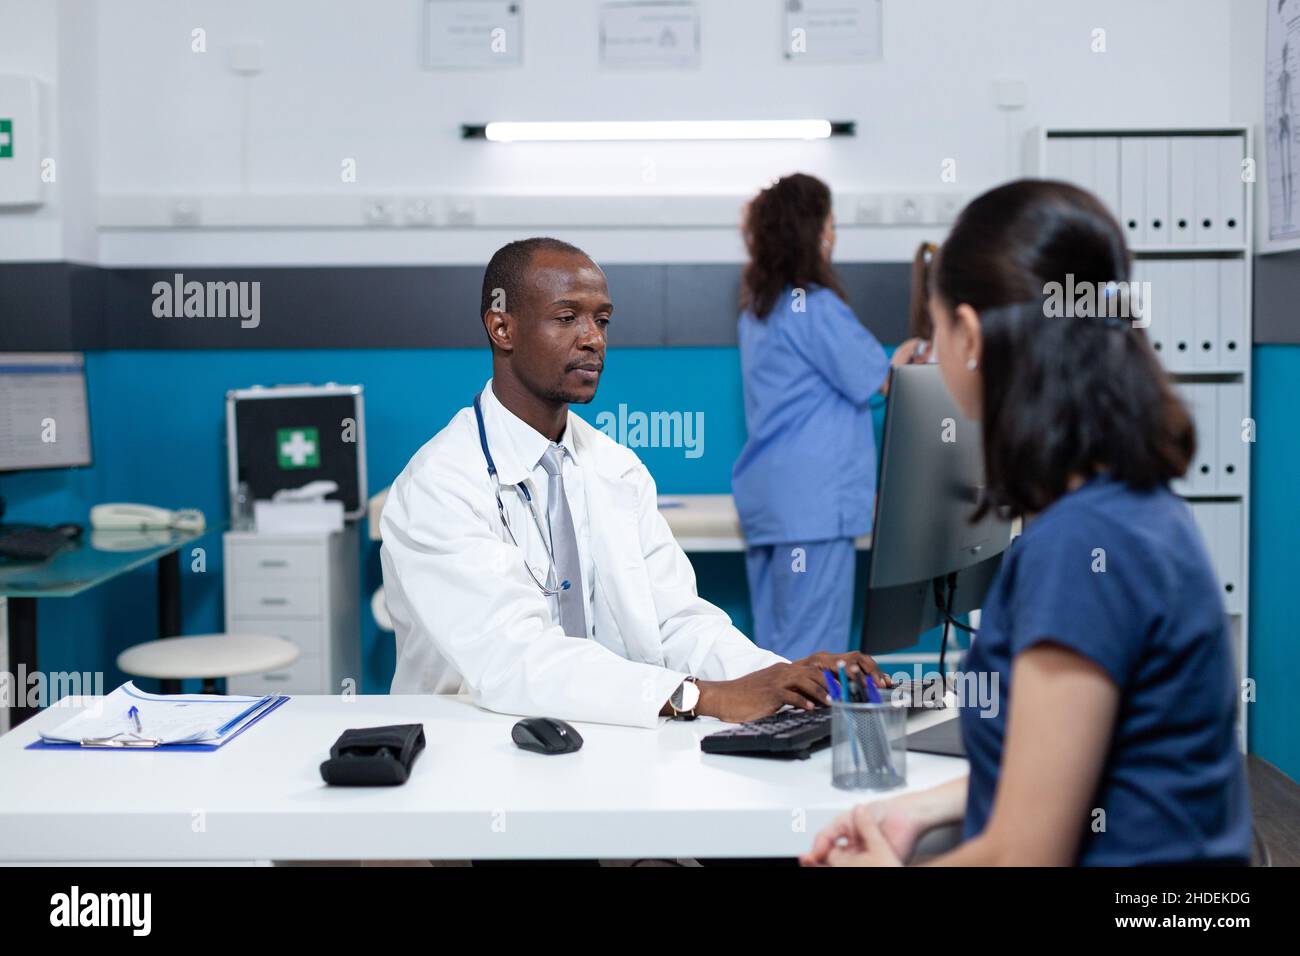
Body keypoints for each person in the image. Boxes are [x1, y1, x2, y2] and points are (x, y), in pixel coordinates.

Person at [802, 180, 1252, 866]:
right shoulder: (1126, 508)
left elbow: (1024, 856)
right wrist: (913, 808)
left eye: (938, 327)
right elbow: (1070, 767)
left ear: (972, 336)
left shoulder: (1080, 546)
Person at [381, 237, 887, 729]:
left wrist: (780, 678)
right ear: (502, 328)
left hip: (603, 737)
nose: (593, 338)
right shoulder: (440, 485)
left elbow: (676, 620)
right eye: (566, 318)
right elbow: (516, 661)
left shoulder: (615, 468)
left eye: (601, 320)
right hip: (469, 755)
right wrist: (701, 697)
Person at [732, 173, 920, 660]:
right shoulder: (815, 308)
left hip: (773, 503)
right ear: (811, 234)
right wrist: (911, 358)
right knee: (812, 660)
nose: (834, 236)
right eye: (830, 225)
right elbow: (879, 380)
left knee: (774, 656)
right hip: (812, 510)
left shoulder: (757, 311)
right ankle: (804, 737)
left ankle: (770, 734)